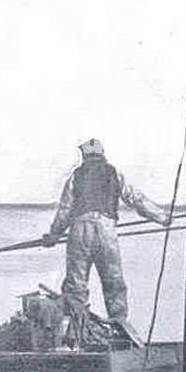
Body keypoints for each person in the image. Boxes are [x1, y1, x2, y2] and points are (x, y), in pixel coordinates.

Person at [42, 138, 171, 343]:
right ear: (102, 155)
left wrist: (54, 235)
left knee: (76, 285)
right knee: (114, 283)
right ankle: (122, 333)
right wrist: (162, 217)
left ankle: (77, 336)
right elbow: (136, 199)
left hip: (79, 229)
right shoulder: (113, 173)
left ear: (85, 157)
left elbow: (65, 210)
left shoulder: (76, 176)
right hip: (106, 230)